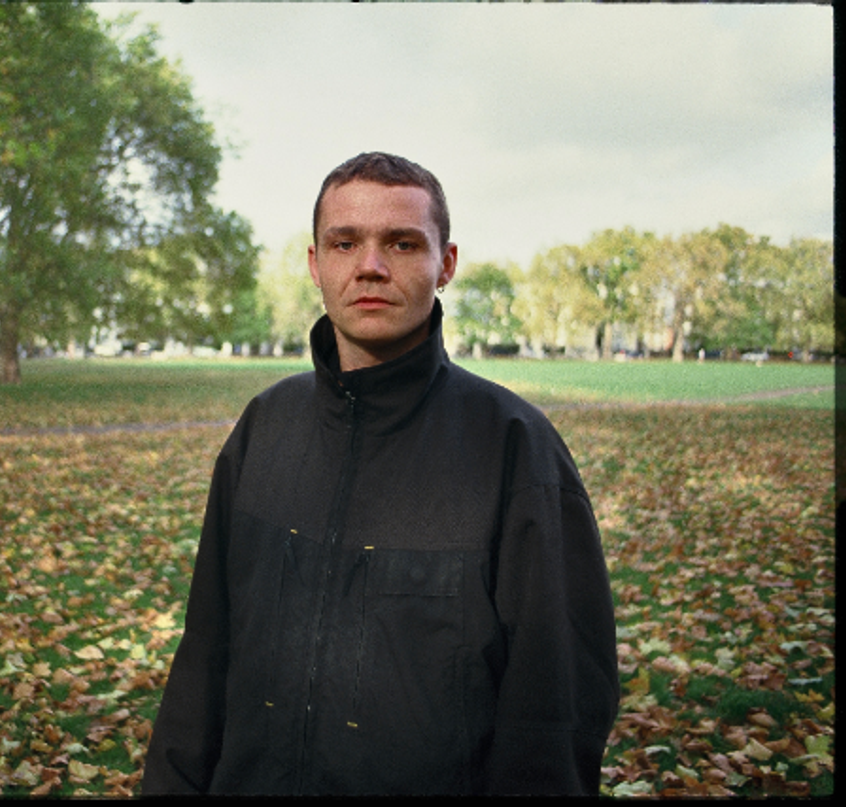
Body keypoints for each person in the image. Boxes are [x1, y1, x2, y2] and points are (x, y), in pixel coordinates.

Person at [141, 152, 619, 796]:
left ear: (444, 264)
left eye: (401, 242)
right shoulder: (264, 428)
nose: (370, 265)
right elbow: (205, 655)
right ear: (316, 263)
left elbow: (553, 715)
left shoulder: (515, 449)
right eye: (345, 242)